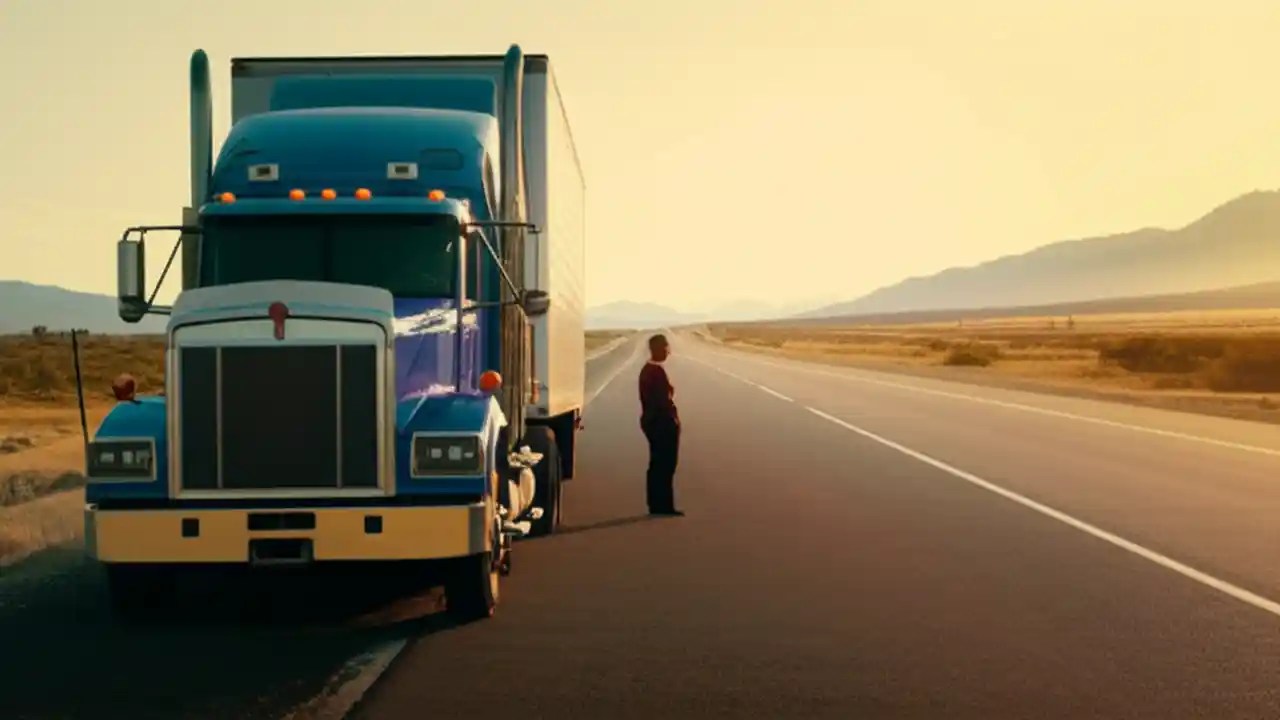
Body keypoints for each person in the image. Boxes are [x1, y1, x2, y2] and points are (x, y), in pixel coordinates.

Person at [638, 333, 683, 516]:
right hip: (661, 424)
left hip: (654, 422)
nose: (668, 352)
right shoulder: (654, 372)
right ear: (657, 349)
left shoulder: (649, 370)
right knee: (665, 464)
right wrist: (673, 421)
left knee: (658, 464)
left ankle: (657, 504)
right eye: (666, 348)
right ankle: (663, 506)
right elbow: (662, 402)